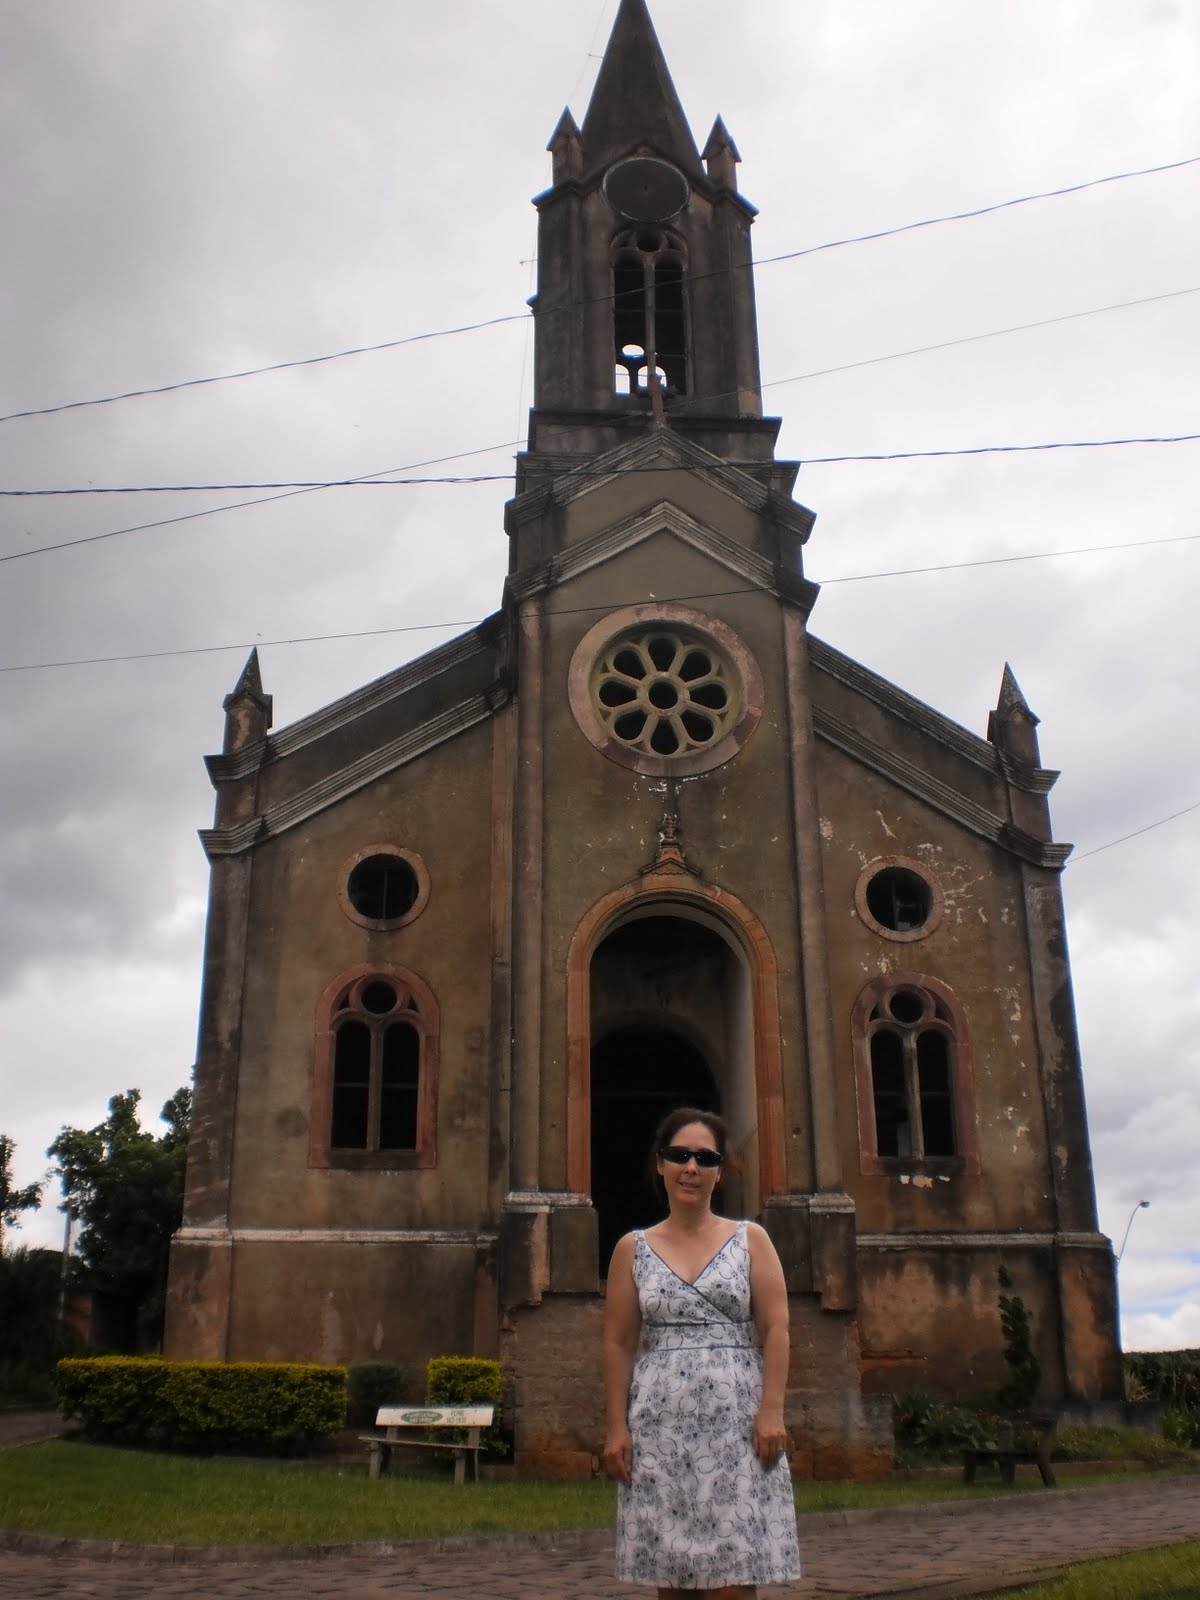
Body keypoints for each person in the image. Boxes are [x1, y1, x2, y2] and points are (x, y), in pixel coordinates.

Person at [601, 1106, 801, 1597]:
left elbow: (776, 1327)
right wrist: (615, 1427)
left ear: (720, 1170)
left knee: (733, 1579)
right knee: (671, 1576)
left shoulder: (750, 1239)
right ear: (660, 1164)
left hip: (736, 1425)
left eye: (705, 1157)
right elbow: (619, 1341)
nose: (691, 1167)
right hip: (660, 1428)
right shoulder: (633, 1247)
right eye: (679, 1155)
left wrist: (772, 1410)